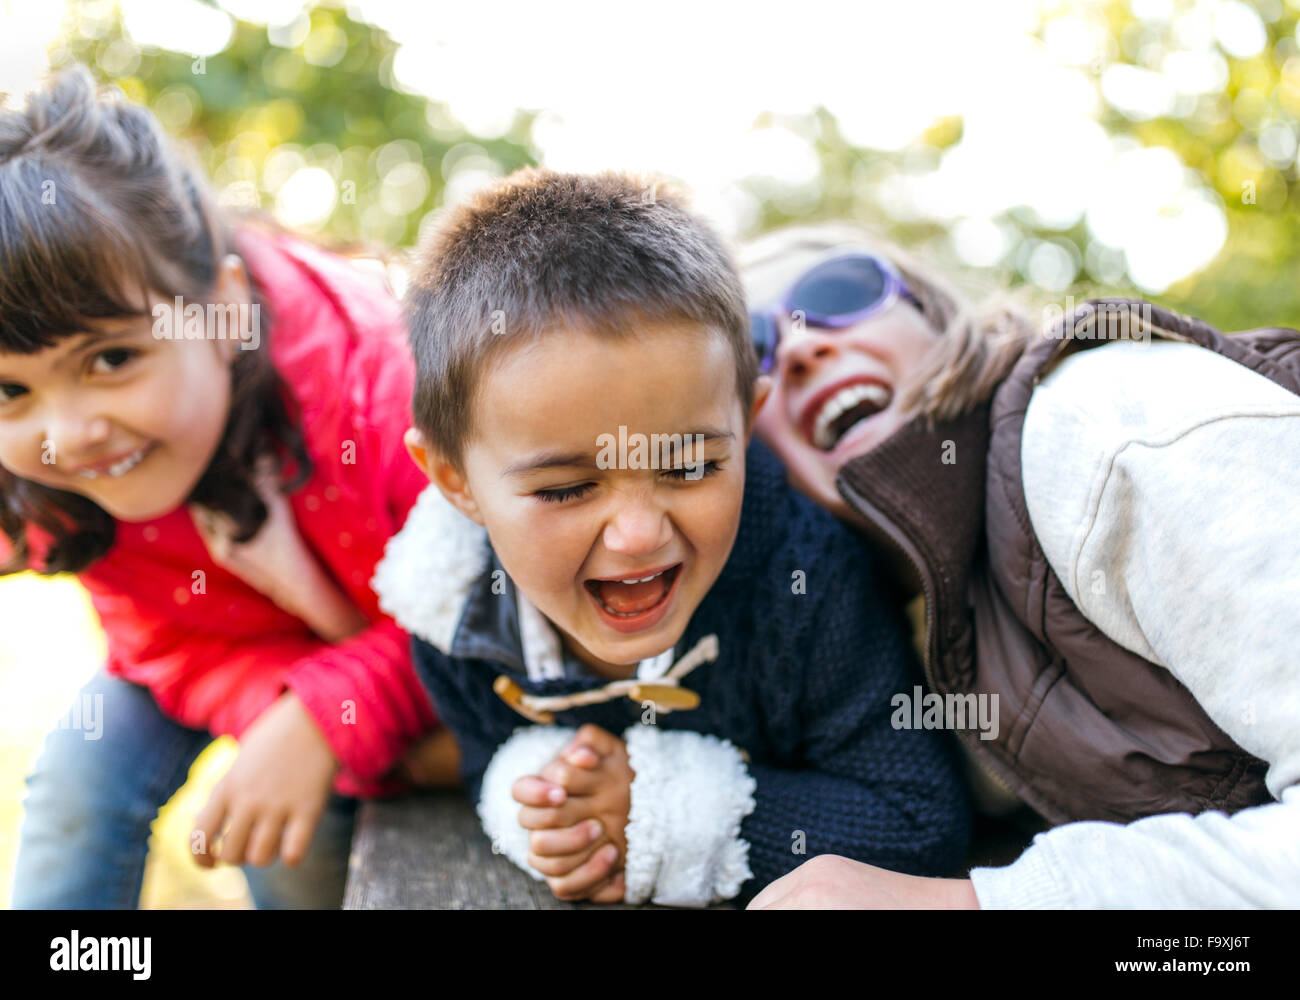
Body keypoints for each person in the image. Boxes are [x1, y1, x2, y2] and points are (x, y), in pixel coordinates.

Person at [370, 169, 972, 907]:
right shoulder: (457, 616)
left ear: (748, 424)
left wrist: (664, 815)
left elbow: (919, 820)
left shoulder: (810, 586)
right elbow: (487, 758)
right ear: (455, 479)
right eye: (565, 488)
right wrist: (548, 810)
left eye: (690, 466)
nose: (636, 534)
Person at [1, 66, 457, 909]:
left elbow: (481, 620)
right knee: (78, 777)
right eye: (9, 391)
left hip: (400, 660)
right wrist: (275, 709)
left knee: (291, 841)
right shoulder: (44, 475)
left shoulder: (379, 401)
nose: (67, 436)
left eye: (111, 360)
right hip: (214, 655)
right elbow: (156, 636)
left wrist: (326, 714)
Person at [741, 223, 1300, 908]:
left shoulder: (1105, 426)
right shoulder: (894, 621)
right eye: (753, 353)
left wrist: (980, 905)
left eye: (841, 291)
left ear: (934, 311)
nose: (800, 345)